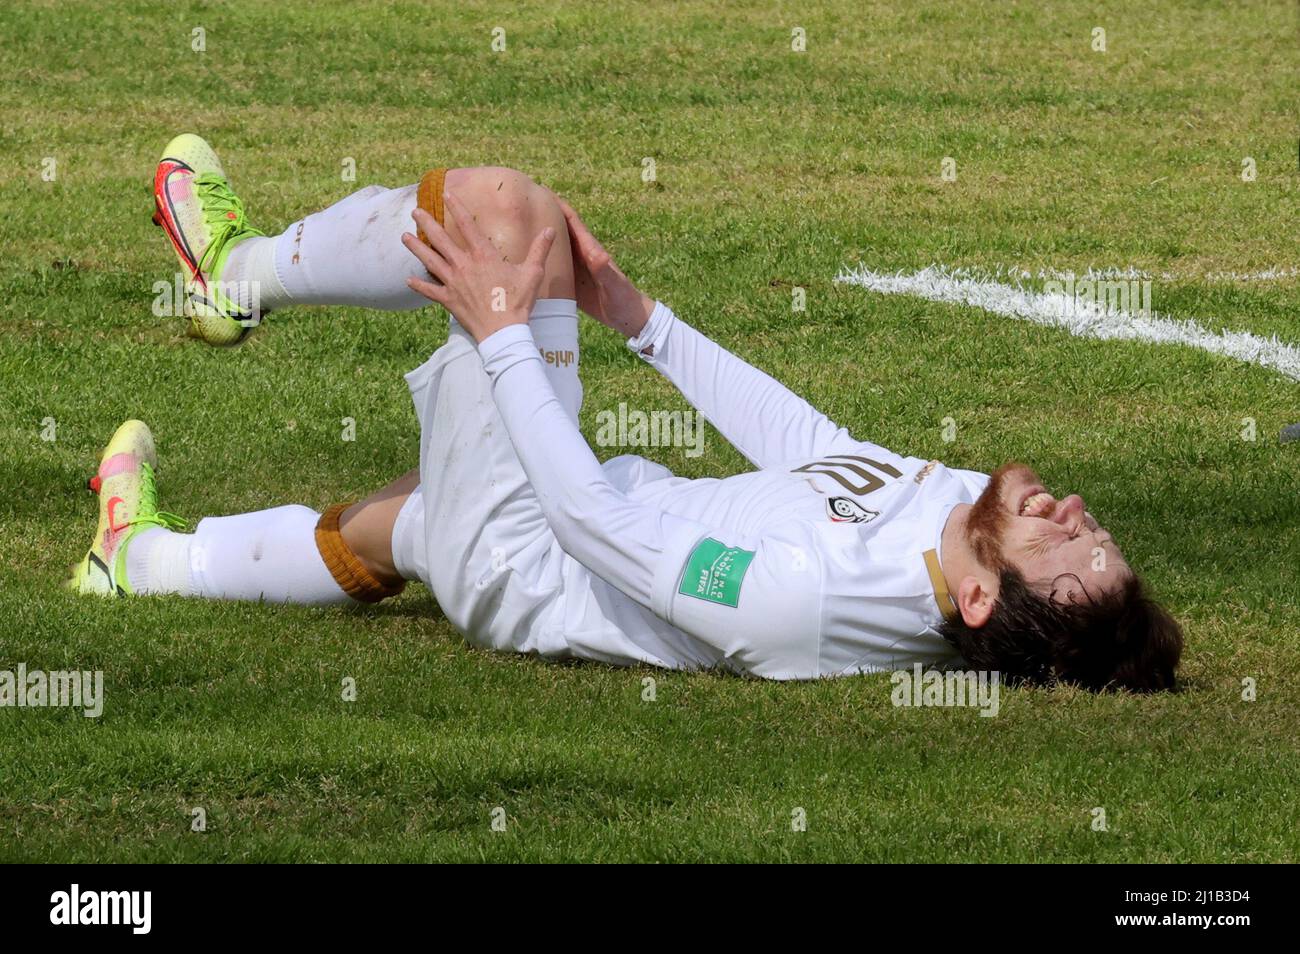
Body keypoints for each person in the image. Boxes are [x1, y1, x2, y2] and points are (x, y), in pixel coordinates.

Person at [69, 135, 1183, 691]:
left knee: (507, 212)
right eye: (1094, 524)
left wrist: (507, 335)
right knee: (402, 519)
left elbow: (595, 524)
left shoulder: (799, 602)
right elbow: (820, 452)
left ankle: (236, 273)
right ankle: (140, 562)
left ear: (985, 601)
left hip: (532, 560)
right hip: (570, 522)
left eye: (1070, 549)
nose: (1077, 511)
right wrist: (636, 318)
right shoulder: (959, 517)